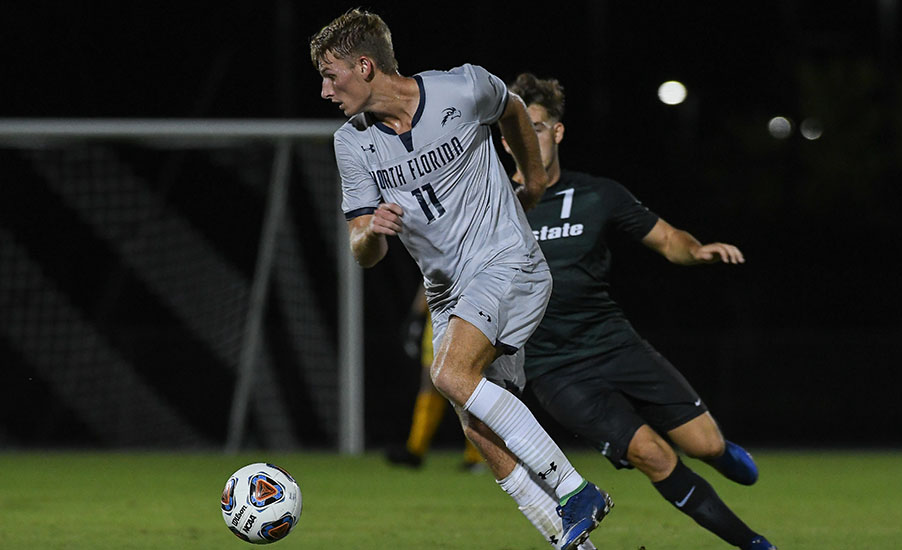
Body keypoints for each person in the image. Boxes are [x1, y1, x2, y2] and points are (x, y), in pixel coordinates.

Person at [310, 11, 611, 549]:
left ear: (365, 65)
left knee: (448, 374)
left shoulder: (463, 86)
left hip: (507, 261)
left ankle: (574, 489)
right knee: (477, 426)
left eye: (333, 76)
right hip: (447, 292)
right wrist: (373, 232)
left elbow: (513, 111)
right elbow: (363, 249)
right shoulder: (351, 144)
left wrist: (534, 179)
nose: (326, 89)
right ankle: (577, 544)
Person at [495, 73, 777, 550]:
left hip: (616, 345)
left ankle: (720, 452)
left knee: (705, 445)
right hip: (555, 371)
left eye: (538, 127)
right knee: (655, 456)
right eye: (519, 131)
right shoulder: (494, 207)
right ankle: (753, 544)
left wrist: (698, 250)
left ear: (558, 131)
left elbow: (668, 240)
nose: (530, 139)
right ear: (506, 143)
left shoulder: (596, 194)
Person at [387, 285, 485, 471]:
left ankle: (478, 455)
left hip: (470, 312)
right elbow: (428, 275)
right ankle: (415, 449)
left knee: (468, 380)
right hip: (438, 314)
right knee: (429, 381)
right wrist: (416, 314)